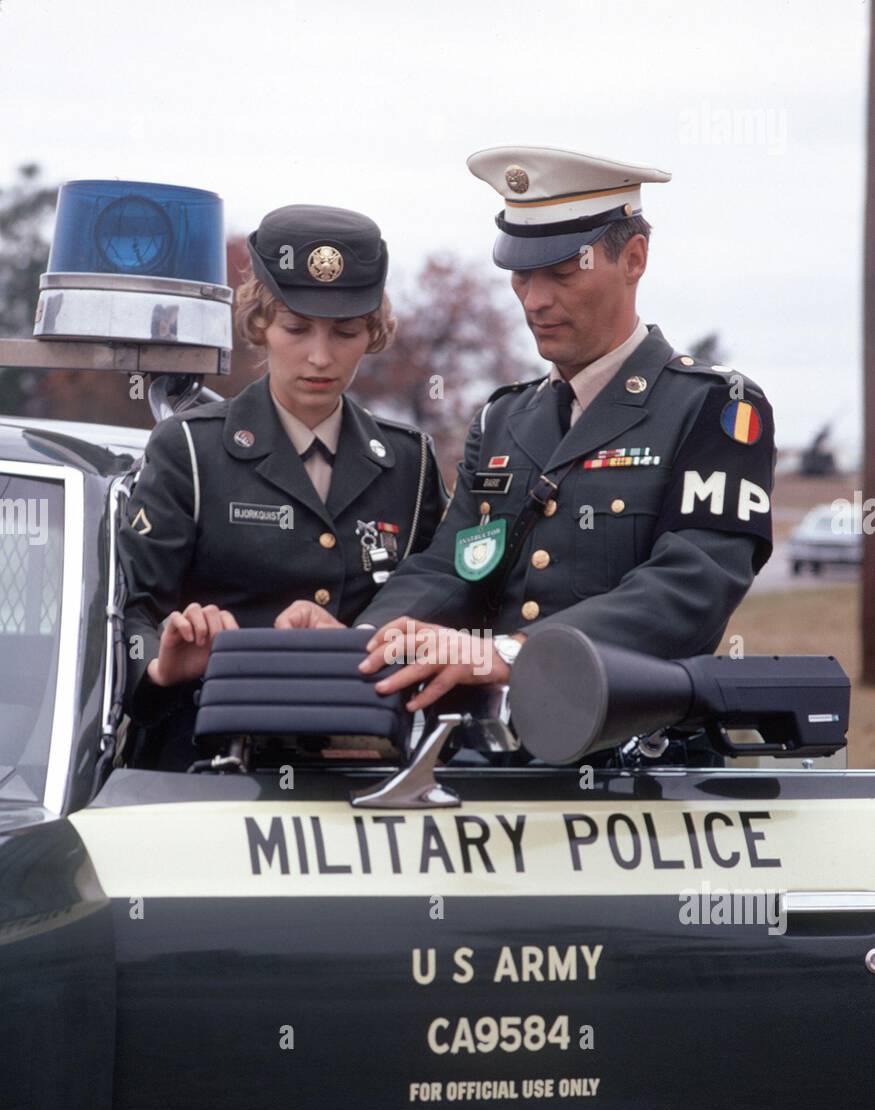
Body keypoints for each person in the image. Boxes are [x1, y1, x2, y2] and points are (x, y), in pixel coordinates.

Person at [283, 145, 775, 714]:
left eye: (564, 274)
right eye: (521, 276)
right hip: (497, 755)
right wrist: (364, 642)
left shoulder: (715, 408)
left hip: (639, 760)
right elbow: (451, 567)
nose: (535, 301)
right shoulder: (503, 420)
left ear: (634, 259)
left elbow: (691, 587)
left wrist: (516, 653)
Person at [119, 203, 447, 767]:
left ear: (373, 332)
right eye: (296, 328)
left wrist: (353, 642)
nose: (320, 356)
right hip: (202, 772)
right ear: (259, 324)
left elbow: (439, 609)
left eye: (345, 332)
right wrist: (160, 665)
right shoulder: (190, 449)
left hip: (365, 772)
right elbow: (130, 613)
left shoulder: (408, 462)